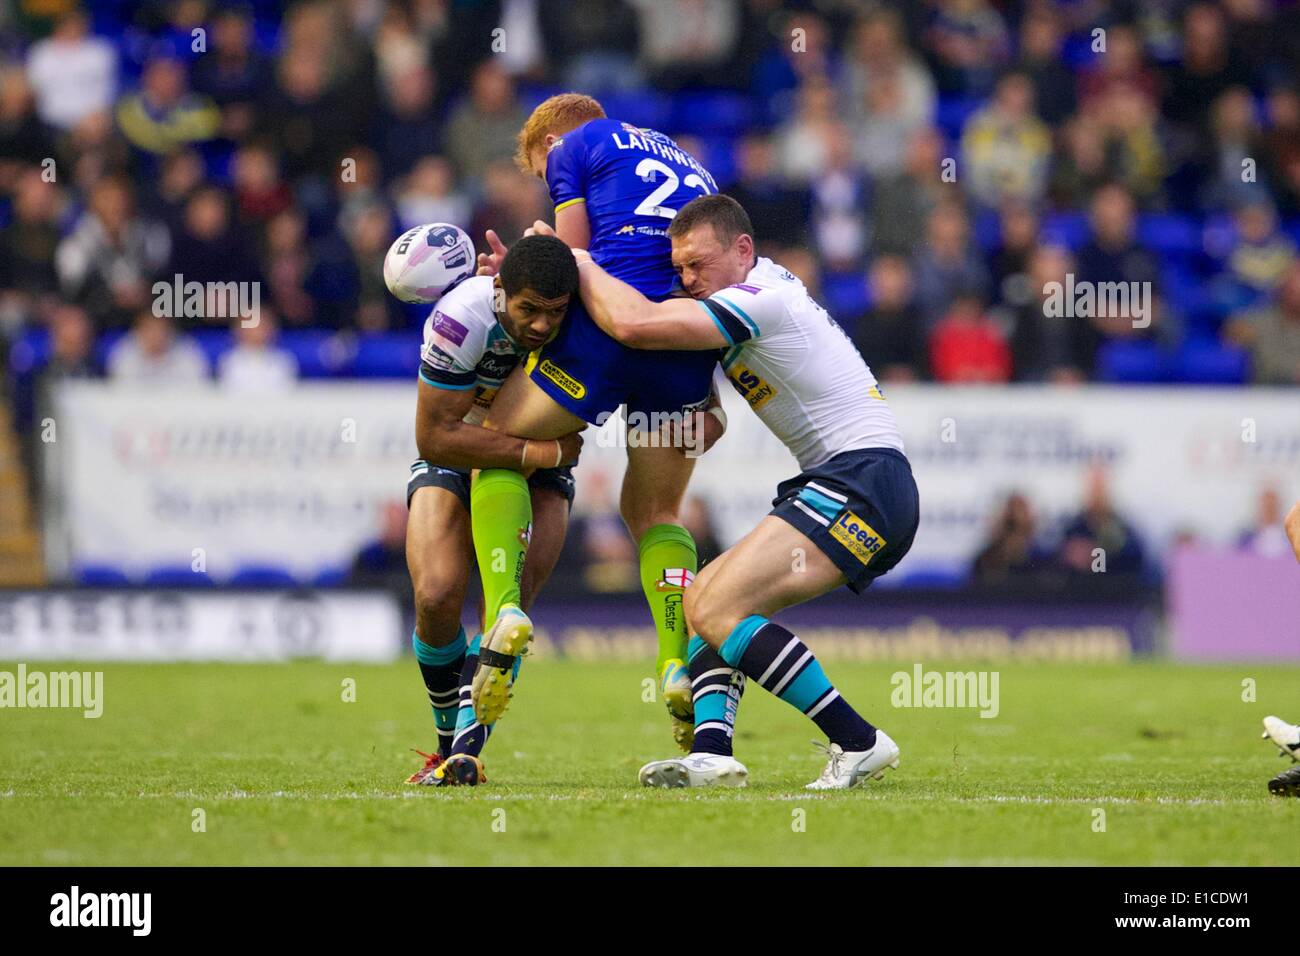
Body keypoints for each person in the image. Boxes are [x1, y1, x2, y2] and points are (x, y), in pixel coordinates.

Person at [552, 193, 920, 790]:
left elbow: (634, 324)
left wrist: (578, 262)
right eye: (680, 269)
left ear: (743, 249)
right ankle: (713, 753)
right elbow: (713, 419)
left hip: (861, 482)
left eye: (698, 264)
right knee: (712, 603)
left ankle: (858, 741)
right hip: (854, 481)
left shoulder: (761, 299)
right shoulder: (751, 299)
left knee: (713, 607)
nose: (688, 279)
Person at [467, 94, 724, 750]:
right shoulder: (691, 164)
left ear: (549, 139)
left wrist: (522, 264)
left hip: (610, 330)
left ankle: (502, 611)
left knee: (491, 441)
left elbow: (569, 266)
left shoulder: (572, 149)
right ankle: (676, 662)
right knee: (658, 512)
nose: (543, 178)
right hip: (685, 344)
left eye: (535, 169)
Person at [402, 233, 584, 787]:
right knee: (435, 594)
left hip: (542, 467)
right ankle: (445, 742)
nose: (541, 326)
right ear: (499, 287)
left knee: (510, 606)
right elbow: (434, 437)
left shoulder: (582, 320)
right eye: (529, 310)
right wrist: (535, 449)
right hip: (462, 449)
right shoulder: (458, 320)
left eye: (554, 313)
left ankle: (465, 752)